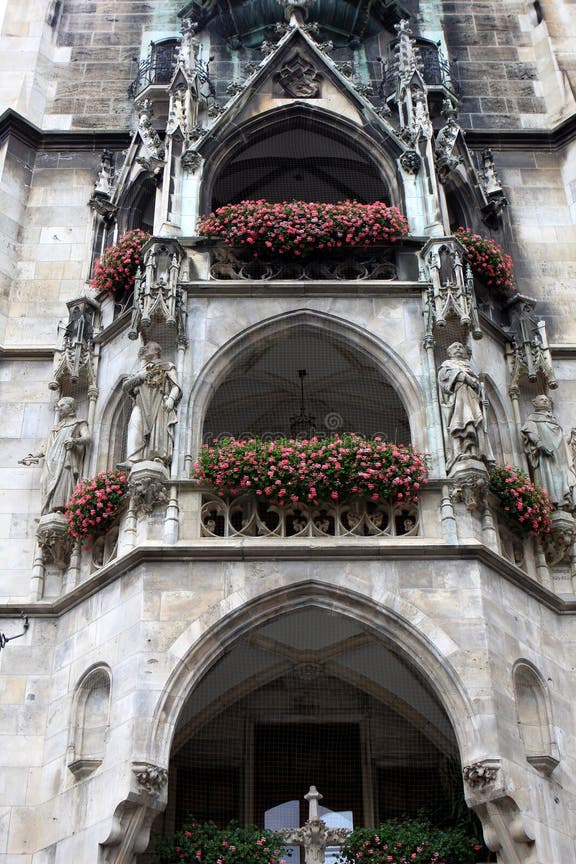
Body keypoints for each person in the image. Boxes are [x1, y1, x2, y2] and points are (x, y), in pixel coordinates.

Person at [21, 397, 90, 515]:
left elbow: (87, 438)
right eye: (58, 406)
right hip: (51, 460)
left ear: (71, 407)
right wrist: (32, 456)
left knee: (62, 482)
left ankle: (60, 509)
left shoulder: (79, 423)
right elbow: (45, 446)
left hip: (65, 460)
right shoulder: (56, 428)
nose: (59, 409)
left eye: (62, 405)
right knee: (45, 481)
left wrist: (74, 440)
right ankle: (47, 510)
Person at [122, 341, 182, 467]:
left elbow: (175, 386)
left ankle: (158, 457)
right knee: (135, 425)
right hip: (140, 403)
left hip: (159, 402)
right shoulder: (140, 370)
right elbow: (125, 387)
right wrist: (140, 376)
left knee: (158, 428)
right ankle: (133, 459)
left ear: (156, 351)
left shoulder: (167, 365)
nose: (144, 350)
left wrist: (171, 398)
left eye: (147, 348)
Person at [521, 395, 576, 510]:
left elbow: (559, 441)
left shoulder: (553, 419)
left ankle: (564, 502)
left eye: (546, 400)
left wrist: (570, 438)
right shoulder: (533, 418)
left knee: (563, 478)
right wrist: (541, 445)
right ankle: (552, 503)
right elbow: (531, 433)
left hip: (560, 457)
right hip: (546, 456)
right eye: (542, 399)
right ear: (535, 403)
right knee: (548, 477)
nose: (545, 401)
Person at [437, 342, 486, 468]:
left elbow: (476, 385)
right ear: (449, 353)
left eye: (460, 347)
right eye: (455, 347)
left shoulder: (468, 366)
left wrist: (476, 385)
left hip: (471, 399)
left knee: (473, 424)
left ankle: (473, 452)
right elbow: (443, 379)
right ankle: (459, 453)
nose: (458, 348)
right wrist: (462, 376)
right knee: (461, 424)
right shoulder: (446, 365)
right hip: (458, 399)